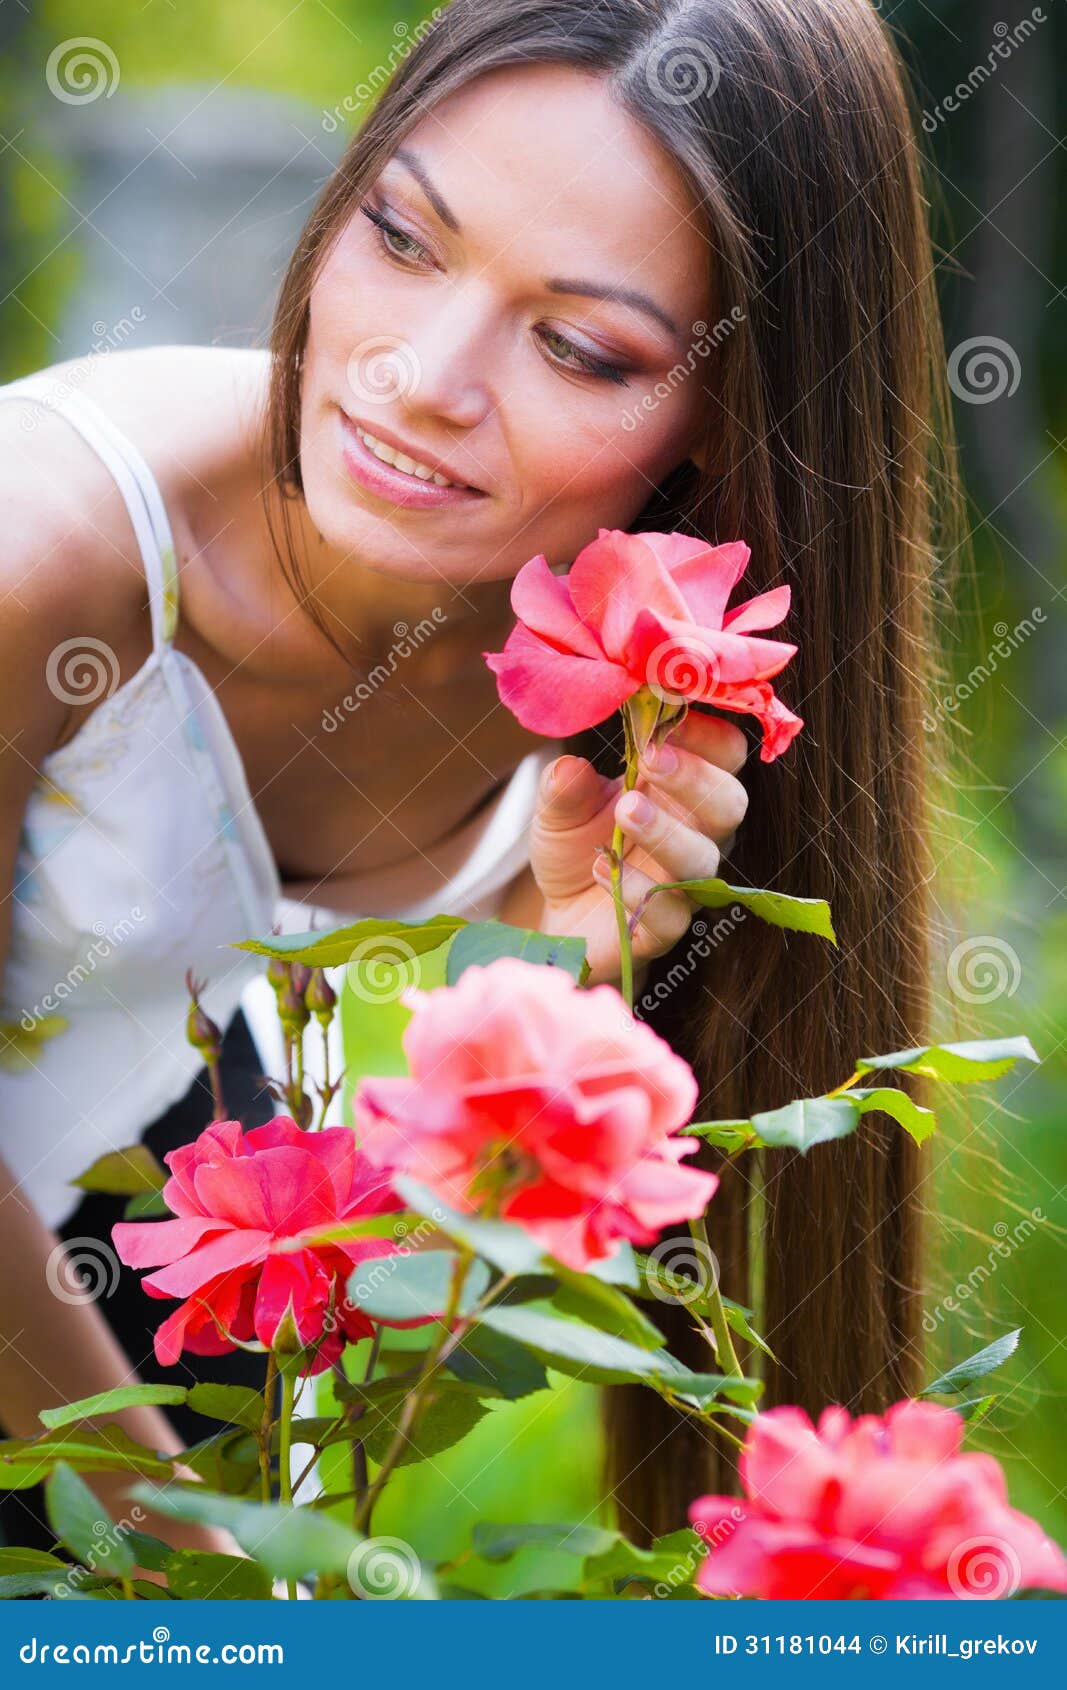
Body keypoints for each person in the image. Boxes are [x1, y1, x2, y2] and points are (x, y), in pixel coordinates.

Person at [0, 0, 961, 1549]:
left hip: (155, 1311)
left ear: (732, 415)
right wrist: (182, 1566)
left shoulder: (637, 662)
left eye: (578, 346)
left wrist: (555, 970)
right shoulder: (39, 543)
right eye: (401, 234)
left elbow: (381, 1146)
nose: (418, 375)